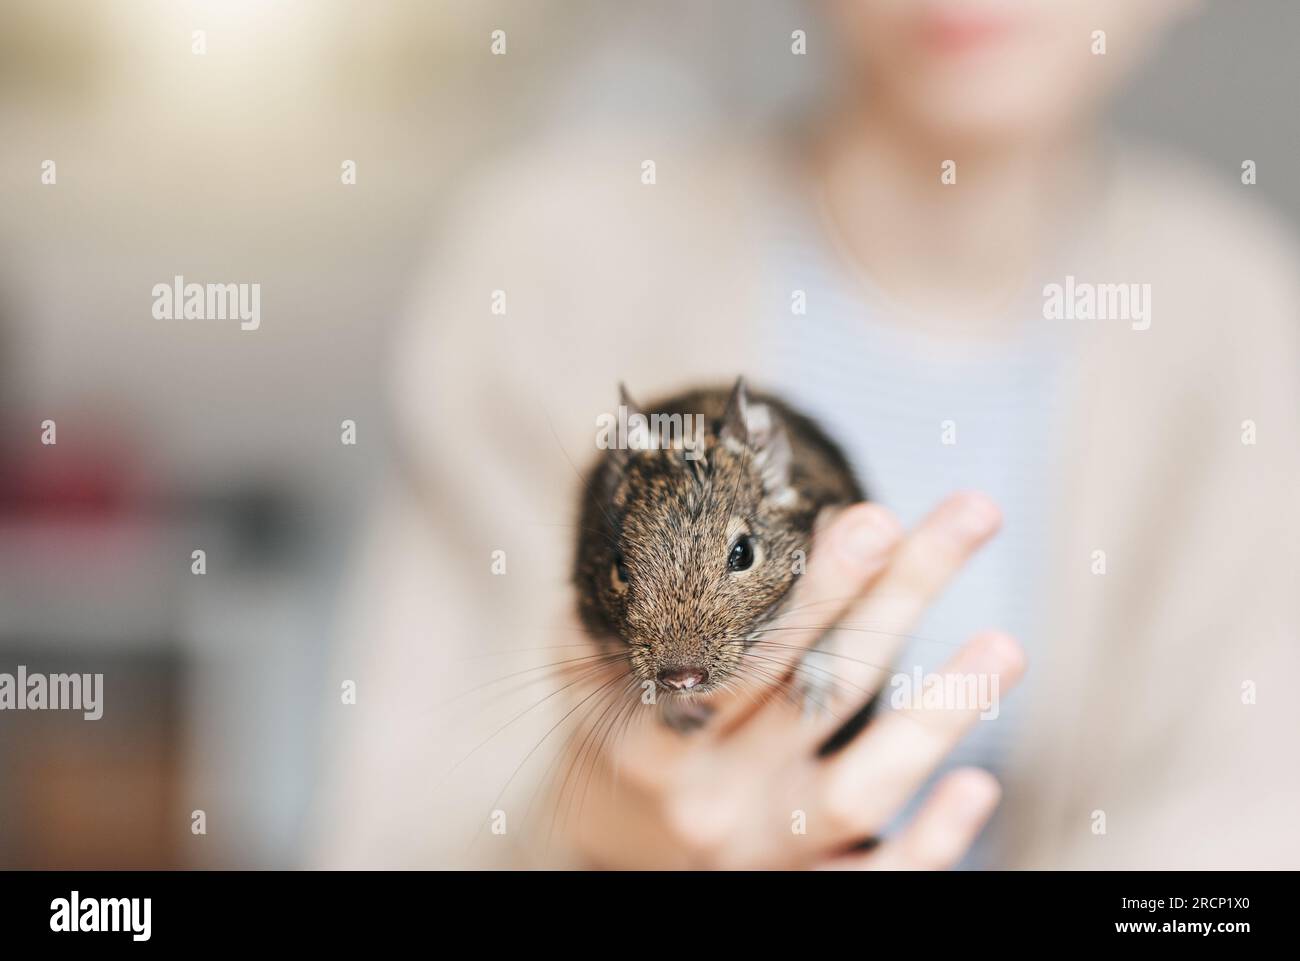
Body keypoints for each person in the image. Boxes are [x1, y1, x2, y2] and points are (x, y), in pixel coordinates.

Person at [312, 0, 1300, 869]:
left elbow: (1241, 837)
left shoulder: (1255, 323)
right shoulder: (551, 262)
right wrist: (591, 835)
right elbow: (398, 824)